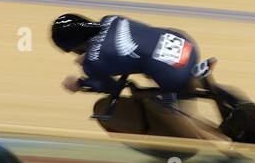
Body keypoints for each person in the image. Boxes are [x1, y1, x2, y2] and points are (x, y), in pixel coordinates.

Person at [51, 12, 220, 143]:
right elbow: (126, 46)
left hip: (172, 72)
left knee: (172, 112)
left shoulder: (93, 62)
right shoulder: (110, 19)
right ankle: (200, 80)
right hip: (184, 44)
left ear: (75, 45)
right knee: (160, 71)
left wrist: (80, 83)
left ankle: (215, 147)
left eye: (72, 50)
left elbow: (111, 87)